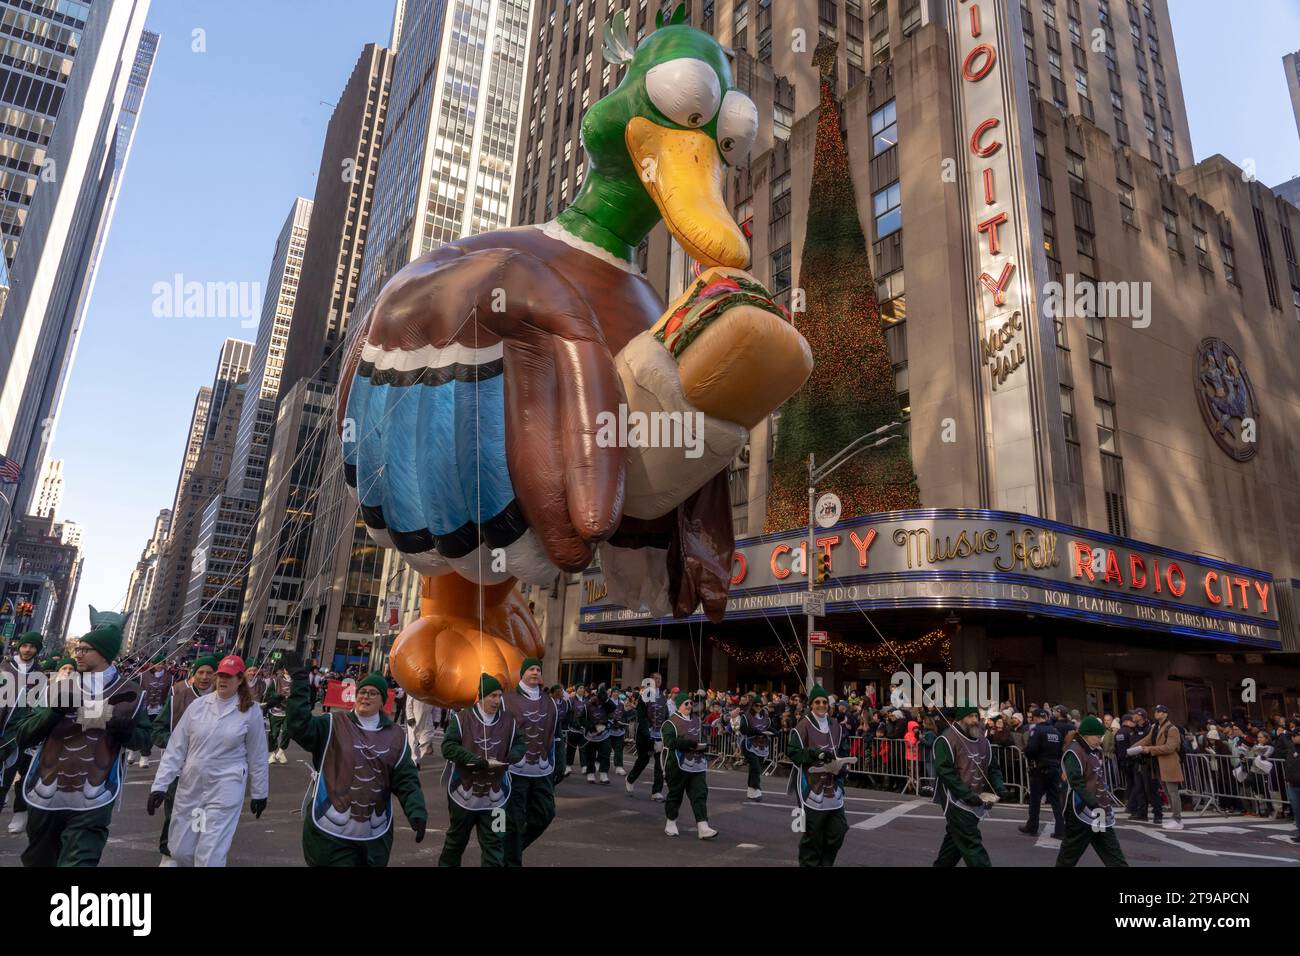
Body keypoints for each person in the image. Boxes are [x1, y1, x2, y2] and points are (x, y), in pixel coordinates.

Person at [11, 613, 153, 867]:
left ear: (103, 653)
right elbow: (24, 734)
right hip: (47, 790)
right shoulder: (57, 684)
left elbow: (144, 741)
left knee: (80, 861)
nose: (77, 653)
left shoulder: (131, 692)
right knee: (38, 860)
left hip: (94, 794)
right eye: (77, 648)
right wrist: (53, 713)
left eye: (85, 649)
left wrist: (127, 732)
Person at [276, 653, 426, 866]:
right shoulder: (332, 723)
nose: (365, 697)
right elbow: (299, 726)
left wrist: (416, 811)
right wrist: (300, 681)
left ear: (383, 700)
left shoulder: (395, 735)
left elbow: (406, 779)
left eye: (373, 693)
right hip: (331, 831)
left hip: (374, 833)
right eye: (362, 691)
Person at [147, 655, 268, 867]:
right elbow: (176, 748)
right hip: (192, 788)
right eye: (220, 675)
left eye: (229, 677)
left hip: (225, 789)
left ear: (240, 680)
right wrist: (159, 786)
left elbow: (257, 756)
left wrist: (260, 793)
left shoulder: (250, 711)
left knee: (210, 851)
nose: (222, 680)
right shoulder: (198, 706)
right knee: (182, 850)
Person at [439, 674, 525, 867]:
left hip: (499, 797)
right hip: (463, 796)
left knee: (496, 842)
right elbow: (448, 746)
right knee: (455, 842)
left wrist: (513, 755)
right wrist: (474, 760)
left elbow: (520, 743)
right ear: (481, 696)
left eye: (499, 695)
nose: (497, 700)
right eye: (492, 696)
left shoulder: (509, 720)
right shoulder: (462, 718)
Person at [150, 654, 217, 866]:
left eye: (210, 673)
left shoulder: (225, 699)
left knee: (201, 813)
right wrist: (175, 745)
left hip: (209, 772)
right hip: (179, 769)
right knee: (174, 812)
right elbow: (158, 729)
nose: (205, 677)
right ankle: (168, 853)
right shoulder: (178, 694)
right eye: (201, 672)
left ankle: (196, 849)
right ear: (193, 674)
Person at [932, 704, 1007, 867]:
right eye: (970, 716)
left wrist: (999, 787)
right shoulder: (946, 739)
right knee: (972, 844)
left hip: (977, 799)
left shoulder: (983, 741)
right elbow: (946, 773)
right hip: (956, 801)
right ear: (960, 718)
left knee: (955, 842)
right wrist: (966, 795)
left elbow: (993, 767)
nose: (975, 720)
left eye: (976, 716)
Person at [503, 658, 559, 866]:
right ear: (522, 673)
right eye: (531, 669)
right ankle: (511, 859)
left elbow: (557, 736)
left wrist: (559, 764)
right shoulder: (506, 699)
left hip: (542, 769)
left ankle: (511, 849)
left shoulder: (549, 701)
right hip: (514, 771)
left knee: (546, 813)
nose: (535, 672)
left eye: (538, 669)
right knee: (513, 821)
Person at [787, 685, 849, 866]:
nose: (821, 705)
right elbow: (794, 753)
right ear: (811, 705)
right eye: (817, 702)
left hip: (833, 785)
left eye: (824, 702)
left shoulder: (835, 726)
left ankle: (825, 863)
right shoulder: (803, 726)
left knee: (838, 830)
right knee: (812, 834)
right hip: (810, 786)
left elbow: (842, 750)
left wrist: (842, 767)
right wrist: (815, 754)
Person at [1056, 716, 1127, 866]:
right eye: (1097, 736)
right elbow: (1076, 782)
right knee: (1070, 854)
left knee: (1110, 849)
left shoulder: (1092, 750)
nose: (1100, 740)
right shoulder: (1074, 752)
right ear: (1086, 735)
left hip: (1098, 808)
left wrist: (1099, 804)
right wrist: (1093, 803)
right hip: (1080, 809)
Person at [0, 631, 43, 835]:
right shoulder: (5, 667)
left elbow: (39, 705)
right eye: (26, 645)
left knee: (24, 775)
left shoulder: (40, 674)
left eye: (33, 647)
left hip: (26, 733)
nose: (28, 650)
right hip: (4, 732)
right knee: (3, 776)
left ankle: (20, 812)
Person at [661, 690, 717, 839]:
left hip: (697, 764)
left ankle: (703, 826)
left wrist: (704, 745)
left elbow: (703, 737)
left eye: (691, 703)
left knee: (700, 793)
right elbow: (669, 742)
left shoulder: (697, 720)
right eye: (686, 703)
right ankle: (671, 822)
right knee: (675, 794)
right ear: (679, 705)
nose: (689, 705)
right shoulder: (670, 722)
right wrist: (690, 744)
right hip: (677, 764)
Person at [1133, 704, 1184, 830]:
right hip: (1159, 765)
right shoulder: (1155, 727)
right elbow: (1147, 739)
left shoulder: (1172, 729)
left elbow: (1170, 747)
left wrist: (1150, 749)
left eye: (1159, 711)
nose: (1156, 713)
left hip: (1170, 764)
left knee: (1173, 792)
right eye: (1155, 711)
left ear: (1165, 713)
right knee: (1167, 792)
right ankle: (1174, 818)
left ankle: (1177, 819)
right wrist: (1133, 748)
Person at [1019, 708, 1064, 839]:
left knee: (1035, 799)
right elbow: (1060, 751)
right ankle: (1060, 830)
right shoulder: (1056, 732)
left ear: (1035, 718)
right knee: (1056, 801)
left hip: (1040, 769)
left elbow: (1031, 750)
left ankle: (1032, 827)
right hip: (1054, 768)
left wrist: (1026, 753)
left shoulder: (1036, 730)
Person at [627, 675, 668, 800]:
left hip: (659, 734)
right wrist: (649, 735)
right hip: (646, 734)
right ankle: (630, 779)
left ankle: (656, 792)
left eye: (660, 678)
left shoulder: (662, 697)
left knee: (659, 764)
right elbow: (641, 716)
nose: (658, 680)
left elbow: (666, 715)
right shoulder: (644, 695)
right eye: (655, 678)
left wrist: (665, 732)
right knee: (643, 760)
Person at [135, 655, 171, 769]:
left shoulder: (170, 677)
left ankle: (144, 756)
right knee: (141, 730)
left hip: (158, 709)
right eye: (158, 663)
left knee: (151, 733)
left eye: (162, 664)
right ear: (152, 664)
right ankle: (132, 749)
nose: (160, 666)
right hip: (144, 708)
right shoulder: (142, 676)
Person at [739, 693, 773, 801]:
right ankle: (756, 789)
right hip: (749, 744)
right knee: (755, 766)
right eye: (756, 706)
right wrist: (754, 731)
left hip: (762, 745)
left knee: (755, 768)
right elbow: (743, 729)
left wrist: (775, 732)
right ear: (752, 705)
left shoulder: (765, 717)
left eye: (760, 706)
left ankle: (751, 790)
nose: (759, 708)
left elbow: (770, 727)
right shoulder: (746, 716)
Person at [582, 683, 614, 784]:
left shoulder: (606, 704)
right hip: (591, 735)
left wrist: (606, 698)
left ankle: (603, 774)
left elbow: (614, 707)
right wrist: (592, 727)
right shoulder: (587, 705)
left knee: (605, 753)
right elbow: (581, 718)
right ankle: (590, 773)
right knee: (590, 755)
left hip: (604, 734)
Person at [262, 665, 292, 764]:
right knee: (274, 733)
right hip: (276, 710)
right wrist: (278, 696)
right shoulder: (276, 680)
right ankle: (272, 753)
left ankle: (281, 751)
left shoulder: (296, 681)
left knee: (288, 731)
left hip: (289, 710)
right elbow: (269, 694)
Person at [549, 685, 570, 784]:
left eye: (562, 690)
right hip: (549, 731)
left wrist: (568, 724)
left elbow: (569, 715)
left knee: (562, 749)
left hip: (561, 729)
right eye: (559, 691)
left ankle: (561, 768)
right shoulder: (548, 702)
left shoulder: (565, 703)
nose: (562, 693)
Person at [608, 689, 628, 776]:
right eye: (614, 692)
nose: (616, 693)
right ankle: (602, 765)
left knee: (619, 749)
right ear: (611, 694)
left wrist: (622, 722)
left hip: (619, 730)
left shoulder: (622, 703)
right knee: (606, 749)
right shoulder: (607, 703)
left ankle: (619, 766)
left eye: (617, 692)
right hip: (609, 730)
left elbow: (625, 716)